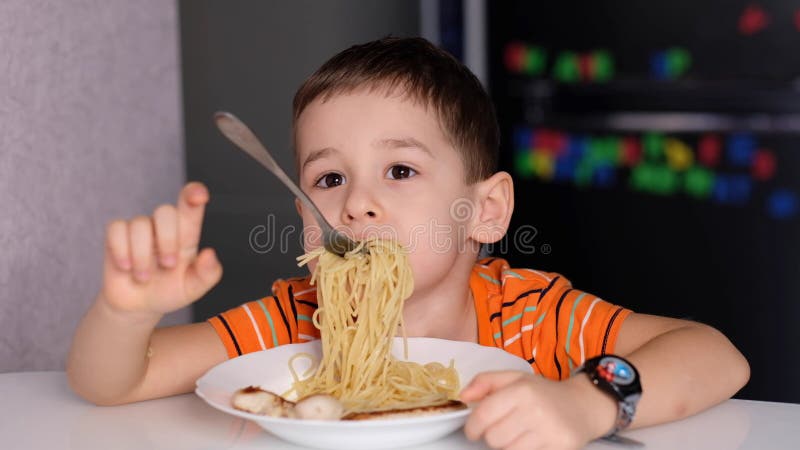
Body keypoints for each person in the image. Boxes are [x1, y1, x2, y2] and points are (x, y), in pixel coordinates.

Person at [67, 37, 749, 449]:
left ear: (484, 210)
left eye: (400, 170)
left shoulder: (533, 317)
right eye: (328, 177)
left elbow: (716, 356)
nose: (356, 203)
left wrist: (584, 403)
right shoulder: (291, 324)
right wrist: (126, 314)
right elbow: (113, 382)